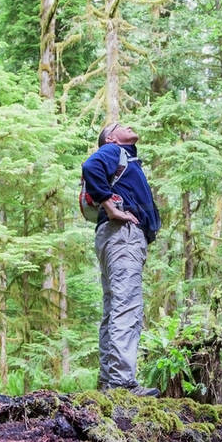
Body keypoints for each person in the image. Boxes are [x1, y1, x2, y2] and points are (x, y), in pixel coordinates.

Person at [81, 121, 161, 396]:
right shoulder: (114, 152)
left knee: (114, 306)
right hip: (122, 234)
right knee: (127, 305)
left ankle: (109, 381)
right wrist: (111, 207)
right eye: (121, 125)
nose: (129, 125)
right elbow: (90, 167)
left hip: (114, 237)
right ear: (111, 138)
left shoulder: (124, 157)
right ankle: (121, 383)